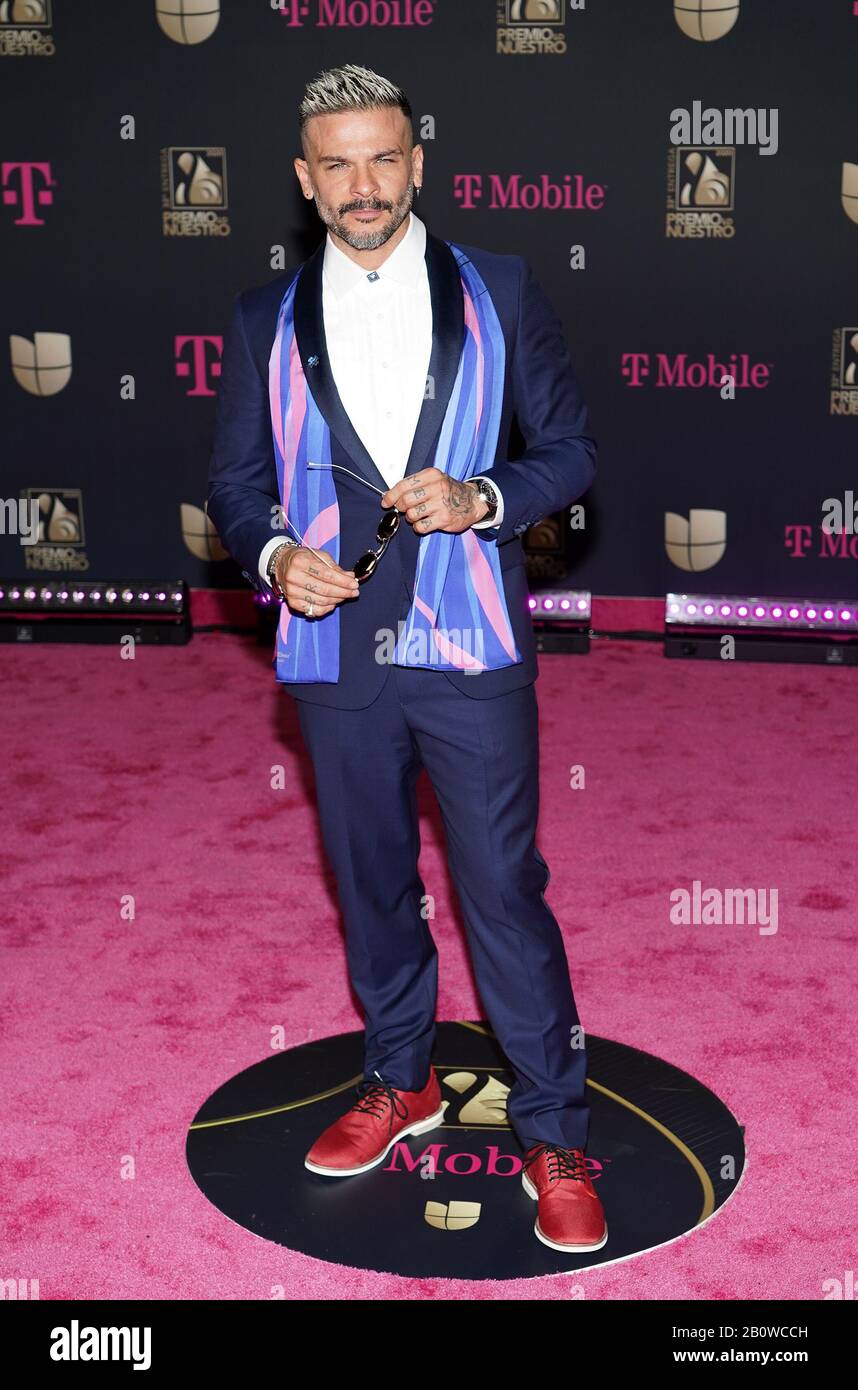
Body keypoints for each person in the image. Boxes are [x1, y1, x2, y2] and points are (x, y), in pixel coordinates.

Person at [207, 63, 606, 1253]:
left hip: (469, 636)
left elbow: (572, 451)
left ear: (418, 161)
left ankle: (552, 1130)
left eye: (384, 158)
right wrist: (276, 556)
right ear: (304, 178)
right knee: (370, 883)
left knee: (502, 889)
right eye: (338, 163)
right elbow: (233, 488)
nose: (364, 184)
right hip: (336, 651)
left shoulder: (501, 286)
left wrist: (486, 494)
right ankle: (402, 1078)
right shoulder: (263, 318)